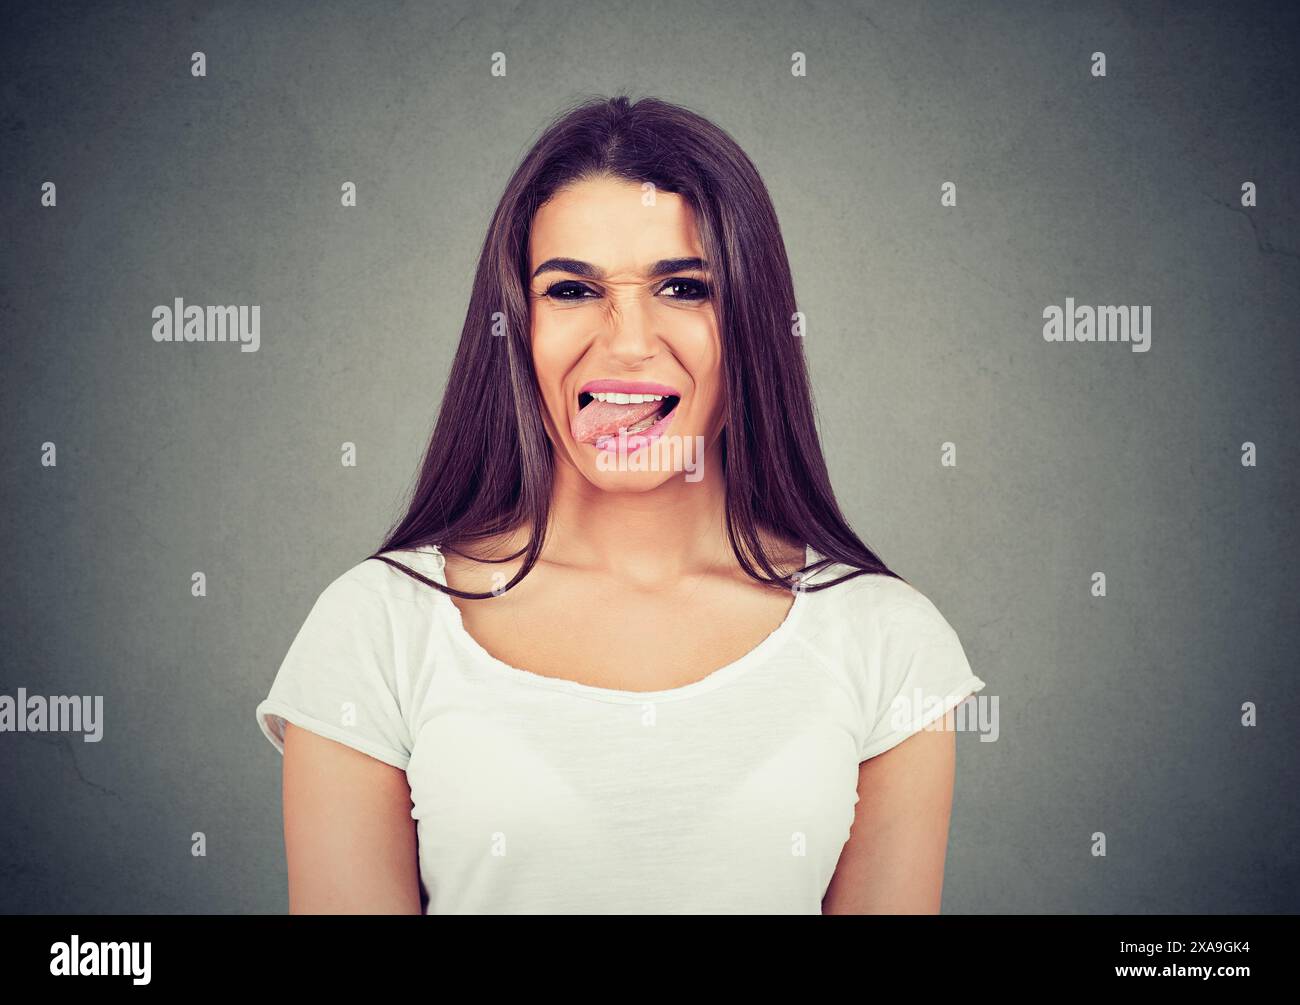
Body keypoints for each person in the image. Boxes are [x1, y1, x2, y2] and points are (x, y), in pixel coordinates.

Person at [254, 94, 986, 914]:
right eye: (571, 290)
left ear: (750, 324)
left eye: (682, 286)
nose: (629, 340)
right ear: (515, 329)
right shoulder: (374, 628)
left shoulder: (888, 640)